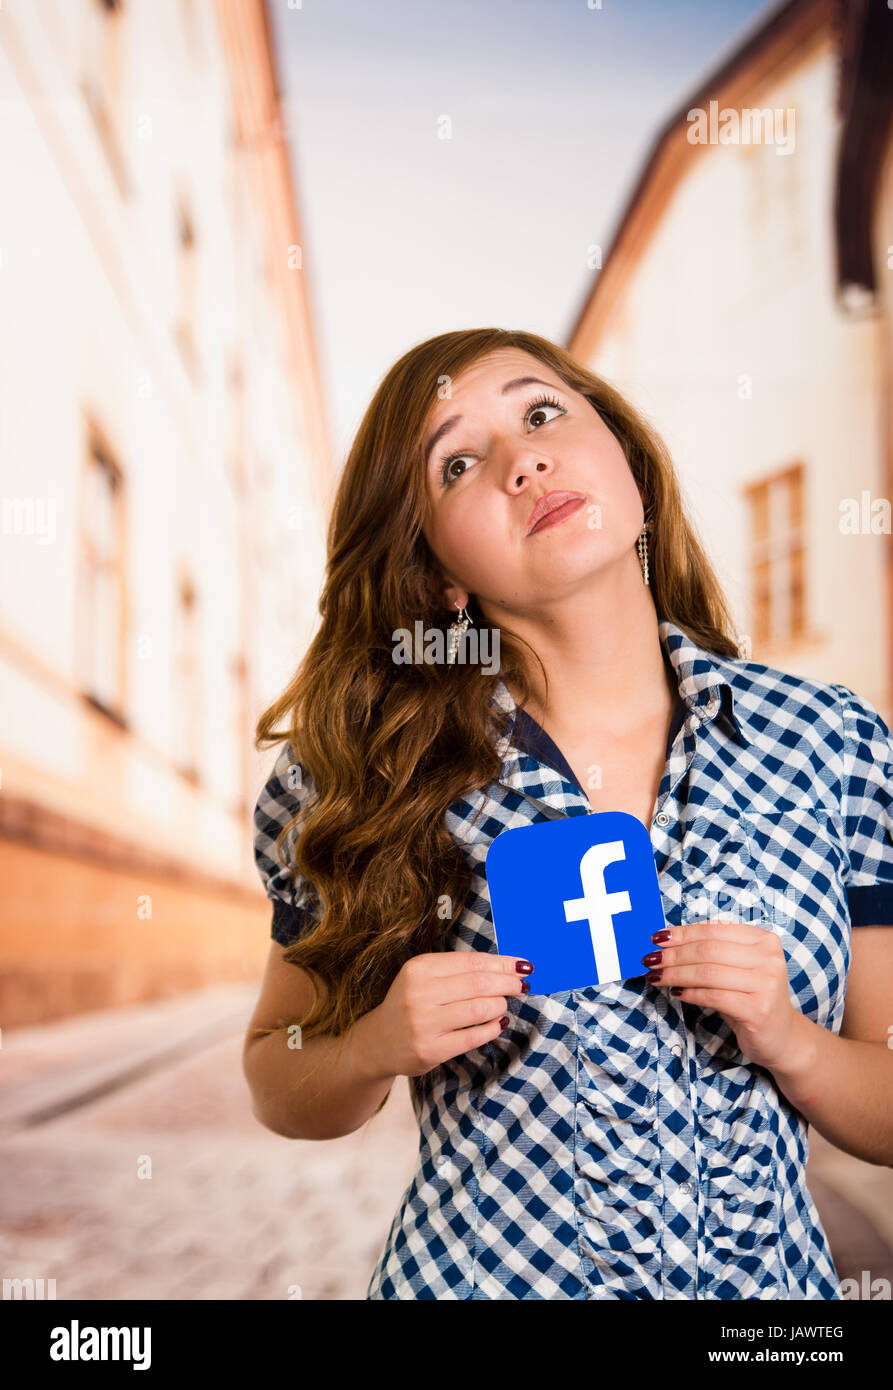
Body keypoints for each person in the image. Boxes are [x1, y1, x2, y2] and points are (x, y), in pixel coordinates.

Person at [243, 326, 893, 1300]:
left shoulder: (830, 743)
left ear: (625, 457)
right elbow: (275, 1071)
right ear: (441, 574)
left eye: (540, 411)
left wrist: (790, 1039)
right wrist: (372, 1045)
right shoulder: (368, 776)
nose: (521, 460)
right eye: (457, 461)